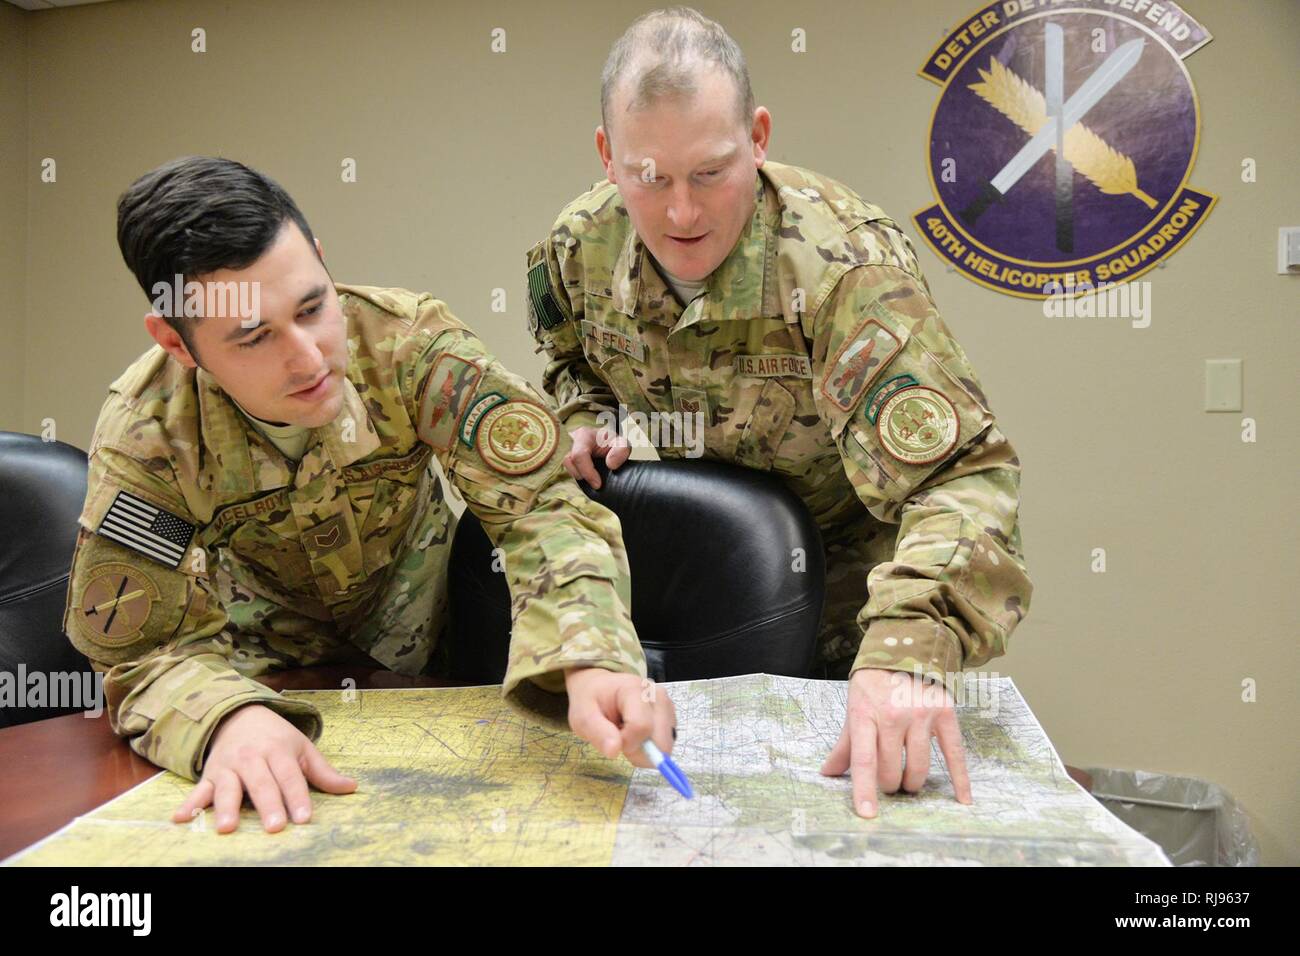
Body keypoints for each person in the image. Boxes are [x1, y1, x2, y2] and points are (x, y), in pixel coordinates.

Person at [65, 156, 675, 834]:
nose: (307, 356)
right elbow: (139, 651)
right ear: (176, 342)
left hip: (435, 677)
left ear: (323, 264)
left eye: (312, 306)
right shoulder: (148, 433)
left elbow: (540, 506)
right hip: (263, 705)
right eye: (254, 337)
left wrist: (589, 652)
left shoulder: (409, 347)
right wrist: (225, 720)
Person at [526, 7, 1033, 818]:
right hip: (702, 603)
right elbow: (568, 359)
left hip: (855, 615)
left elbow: (965, 478)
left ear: (758, 138)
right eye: (650, 176)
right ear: (606, 156)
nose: (682, 214)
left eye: (711, 173)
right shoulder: (577, 247)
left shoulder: (842, 272)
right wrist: (589, 415)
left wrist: (907, 652)